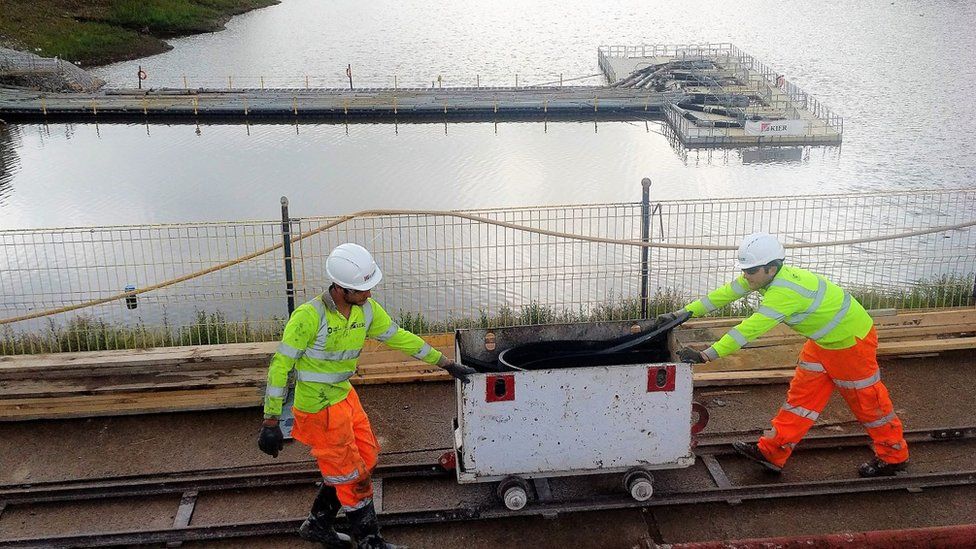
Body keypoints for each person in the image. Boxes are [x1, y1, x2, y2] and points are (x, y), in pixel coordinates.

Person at [257, 243, 476, 548]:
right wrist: (271, 421)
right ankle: (369, 541)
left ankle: (317, 524)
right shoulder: (309, 317)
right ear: (340, 288)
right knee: (352, 476)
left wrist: (446, 364)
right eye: (362, 290)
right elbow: (280, 366)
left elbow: (400, 338)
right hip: (319, 408)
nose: (369, 294)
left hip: (344, 396)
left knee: (367, 458)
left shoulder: (366, 310)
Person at [661, 232, 909, 477]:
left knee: (868, 403)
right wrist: (681, 314)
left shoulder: (784, 293)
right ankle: (772, 452)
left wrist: (707, 355)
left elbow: (749, 329)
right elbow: (724, 294)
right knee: (800, 401)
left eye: (750, 271)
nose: (745, 275)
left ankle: (893, 457)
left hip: (851, 344)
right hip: (823, 343)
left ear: (771, 268)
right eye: (744, 270)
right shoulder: (764, 277)